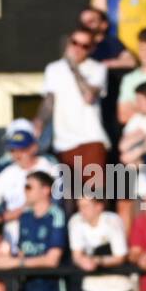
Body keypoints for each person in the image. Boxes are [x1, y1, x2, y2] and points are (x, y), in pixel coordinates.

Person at [38, 26, 108, 201]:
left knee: (94, 197)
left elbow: (89, 96)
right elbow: (49, 100)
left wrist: (73, 68)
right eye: (75, 43)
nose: (77, 48)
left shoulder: (98, 69)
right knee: (68, 198)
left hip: (91, 140)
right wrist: (39, 121)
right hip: (63, 143)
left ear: (91, 49)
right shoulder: (53, 69)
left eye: (84, 46)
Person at [68, 194, 131, 291]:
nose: (82, 210)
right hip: (91, 289)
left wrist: (97, 261)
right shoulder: (75, 221)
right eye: (80, 206)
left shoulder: (112, 221)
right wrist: (83, 262)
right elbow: (77, 255)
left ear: (99, 207)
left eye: (86, 206)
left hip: (117, 289)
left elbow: (120, 256)